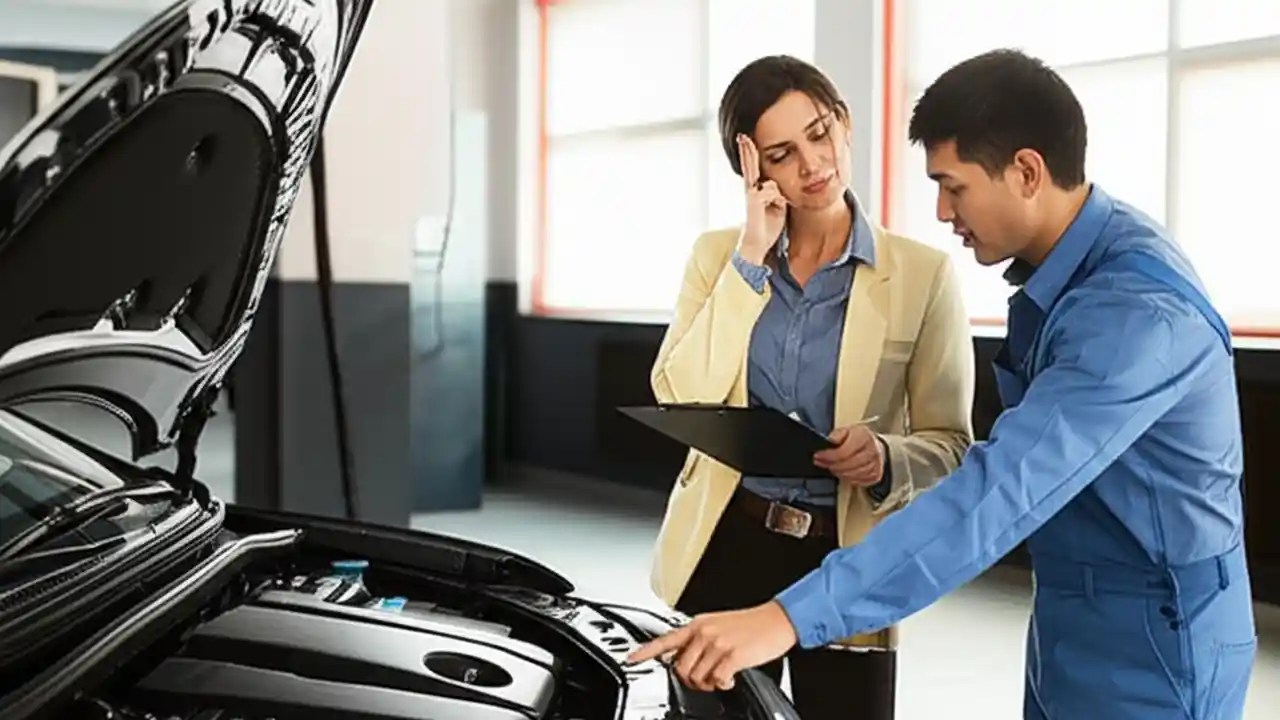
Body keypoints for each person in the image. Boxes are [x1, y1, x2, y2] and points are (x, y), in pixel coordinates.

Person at [629, 48, 1257, 720]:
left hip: (1153, 637)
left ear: (1025, 171)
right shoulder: (1064, 275)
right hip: (1070, 612)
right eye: (781, 152)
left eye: (953, 186)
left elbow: (996, 492)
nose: (939, 208)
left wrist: (787, 617)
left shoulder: (1132, 314)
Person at [645, 54, 975, 720]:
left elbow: (952, 442)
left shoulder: (923, 275)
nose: (811, 164)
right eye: (781, 153)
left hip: (847, 554)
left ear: (844, 124)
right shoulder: (720, 258)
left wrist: (886, 457)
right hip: (729, 543)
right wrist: (751, 257)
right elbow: (678, 391)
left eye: (819, 134)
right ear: (753, 168)